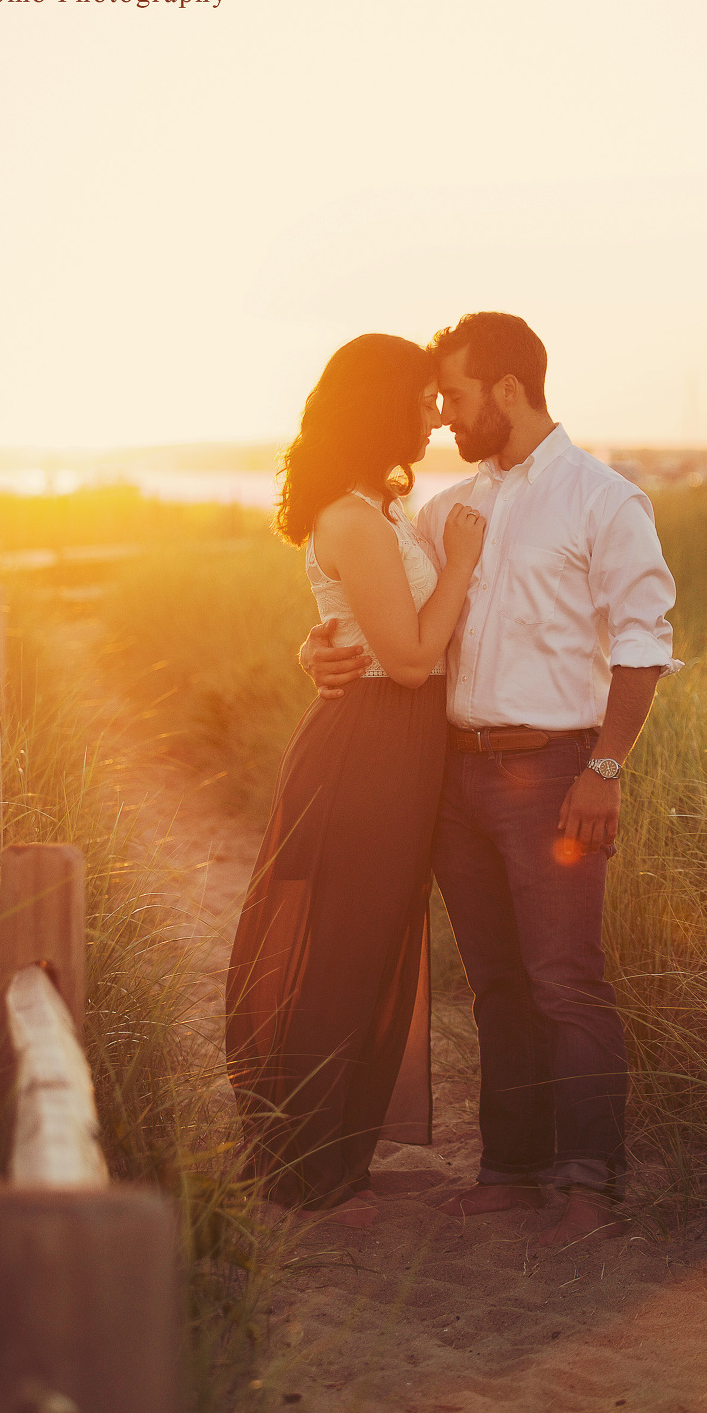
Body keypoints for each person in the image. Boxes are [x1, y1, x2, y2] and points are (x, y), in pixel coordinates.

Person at [303, 312, 681, 1247]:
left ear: (509, 389)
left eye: (458, 394)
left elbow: (642, 645)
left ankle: (592, 1186)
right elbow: (400, 617)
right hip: (454, 776)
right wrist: (321, 651)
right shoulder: (447, 510)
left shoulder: (603, 500)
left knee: (566, 982)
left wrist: (605, 767)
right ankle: (511, 1170)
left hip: (556, 768)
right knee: (498, 985)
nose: (443, 414)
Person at [225, 333, 487, 1227]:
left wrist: (322, 645)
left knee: (369, 944)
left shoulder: (375, 510)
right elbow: (411, 660)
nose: (434, 411)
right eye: (420, 396)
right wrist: (459, 563)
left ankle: (338, 1160)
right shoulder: (350, 517)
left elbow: (377, 635)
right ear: (380, 405)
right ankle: (312, 1173)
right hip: (371, 745)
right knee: (342, 948)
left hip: (396, 746)